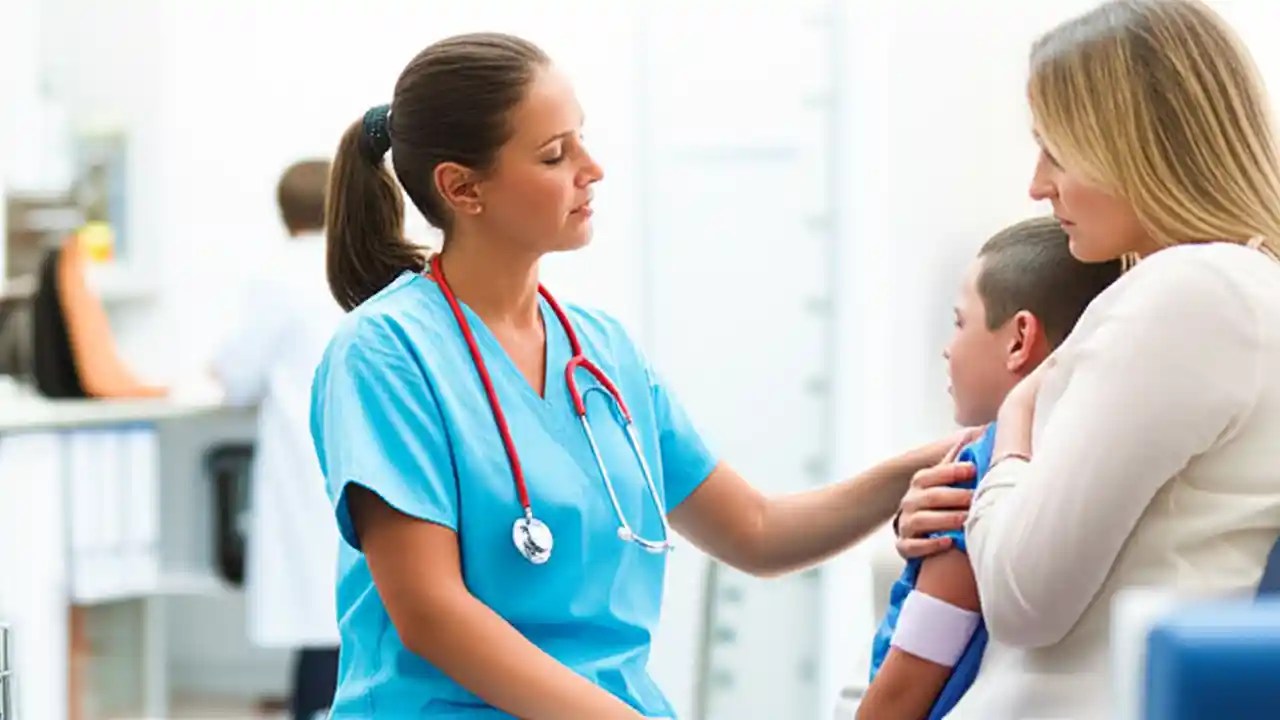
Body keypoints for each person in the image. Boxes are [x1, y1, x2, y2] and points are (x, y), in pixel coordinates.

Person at [309, 32, 968, 719]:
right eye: (555, 154)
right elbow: (431, 615)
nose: (592, 169)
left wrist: (923, 469)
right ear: (461, 186)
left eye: (582, 140)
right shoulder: (386, 353)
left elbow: (756, 530)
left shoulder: (601, 351)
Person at [895, 1, 1280, 716]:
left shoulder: (1189, 294)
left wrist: (1011, 433)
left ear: (1136, 145)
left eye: (1058, 151)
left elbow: (1021, 597)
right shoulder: (1237, 291)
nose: (1038, 186)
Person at [858, 218, 1121, 719]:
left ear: (1020, 339)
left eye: (960, 323)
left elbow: (904, 689)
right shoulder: (1064, 451)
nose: (947, 347)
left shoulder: (974, 478)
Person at [211, 159, 343, 720]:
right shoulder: (365, 264)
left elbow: (239, 374)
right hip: (352, 454)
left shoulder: (279, 275)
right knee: (342, 603)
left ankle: (314, 706)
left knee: (317, 605)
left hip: (303, 458)